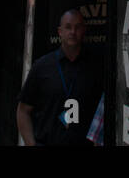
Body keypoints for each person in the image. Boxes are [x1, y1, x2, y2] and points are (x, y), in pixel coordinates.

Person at [17, 9, 104, 146]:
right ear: (60, 32)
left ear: (84, 30)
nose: (73, 32)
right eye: (68, 27)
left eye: (78, 27)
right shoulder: (42, 66)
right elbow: (23, 111)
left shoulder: (94, 67)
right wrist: (30, 144)